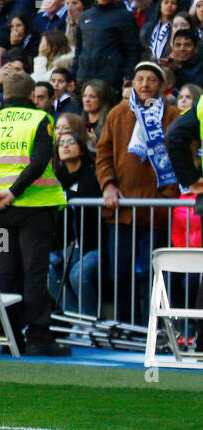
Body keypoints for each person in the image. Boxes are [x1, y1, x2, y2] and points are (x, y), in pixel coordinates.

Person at [0, 71, 71, 356]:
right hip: (34, 210)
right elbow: (39, 161)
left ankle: (7, 336)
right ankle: (38, 336)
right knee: (34, 272)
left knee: (5, 270)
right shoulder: (41, 119)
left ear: (3, 93)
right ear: (33, 94)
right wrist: (14, 191)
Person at [95, 62, 180, 325]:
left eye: (151, 80)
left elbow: (184, 158)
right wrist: (108, 184)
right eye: (139, 79)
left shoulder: (175, 116)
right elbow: (103, 154)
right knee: (120, 274)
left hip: (159, 212)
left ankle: (152, 328)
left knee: (154, 276)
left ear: (163, 86)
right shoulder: (118, 114)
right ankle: (125, 327)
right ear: (132, 83)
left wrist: (168, 196)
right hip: (123, 212)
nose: (144, 84)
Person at [50, 125, 102, 318]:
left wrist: (70, 196)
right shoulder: (56, 179)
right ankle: (76, 319)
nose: (65, 146)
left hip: (96, 245)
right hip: (68, 245)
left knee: (78, 275)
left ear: (81, 147)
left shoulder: (93, 173)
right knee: (50, 273)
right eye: (61, 143)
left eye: (70, 142)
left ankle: (90, 322)